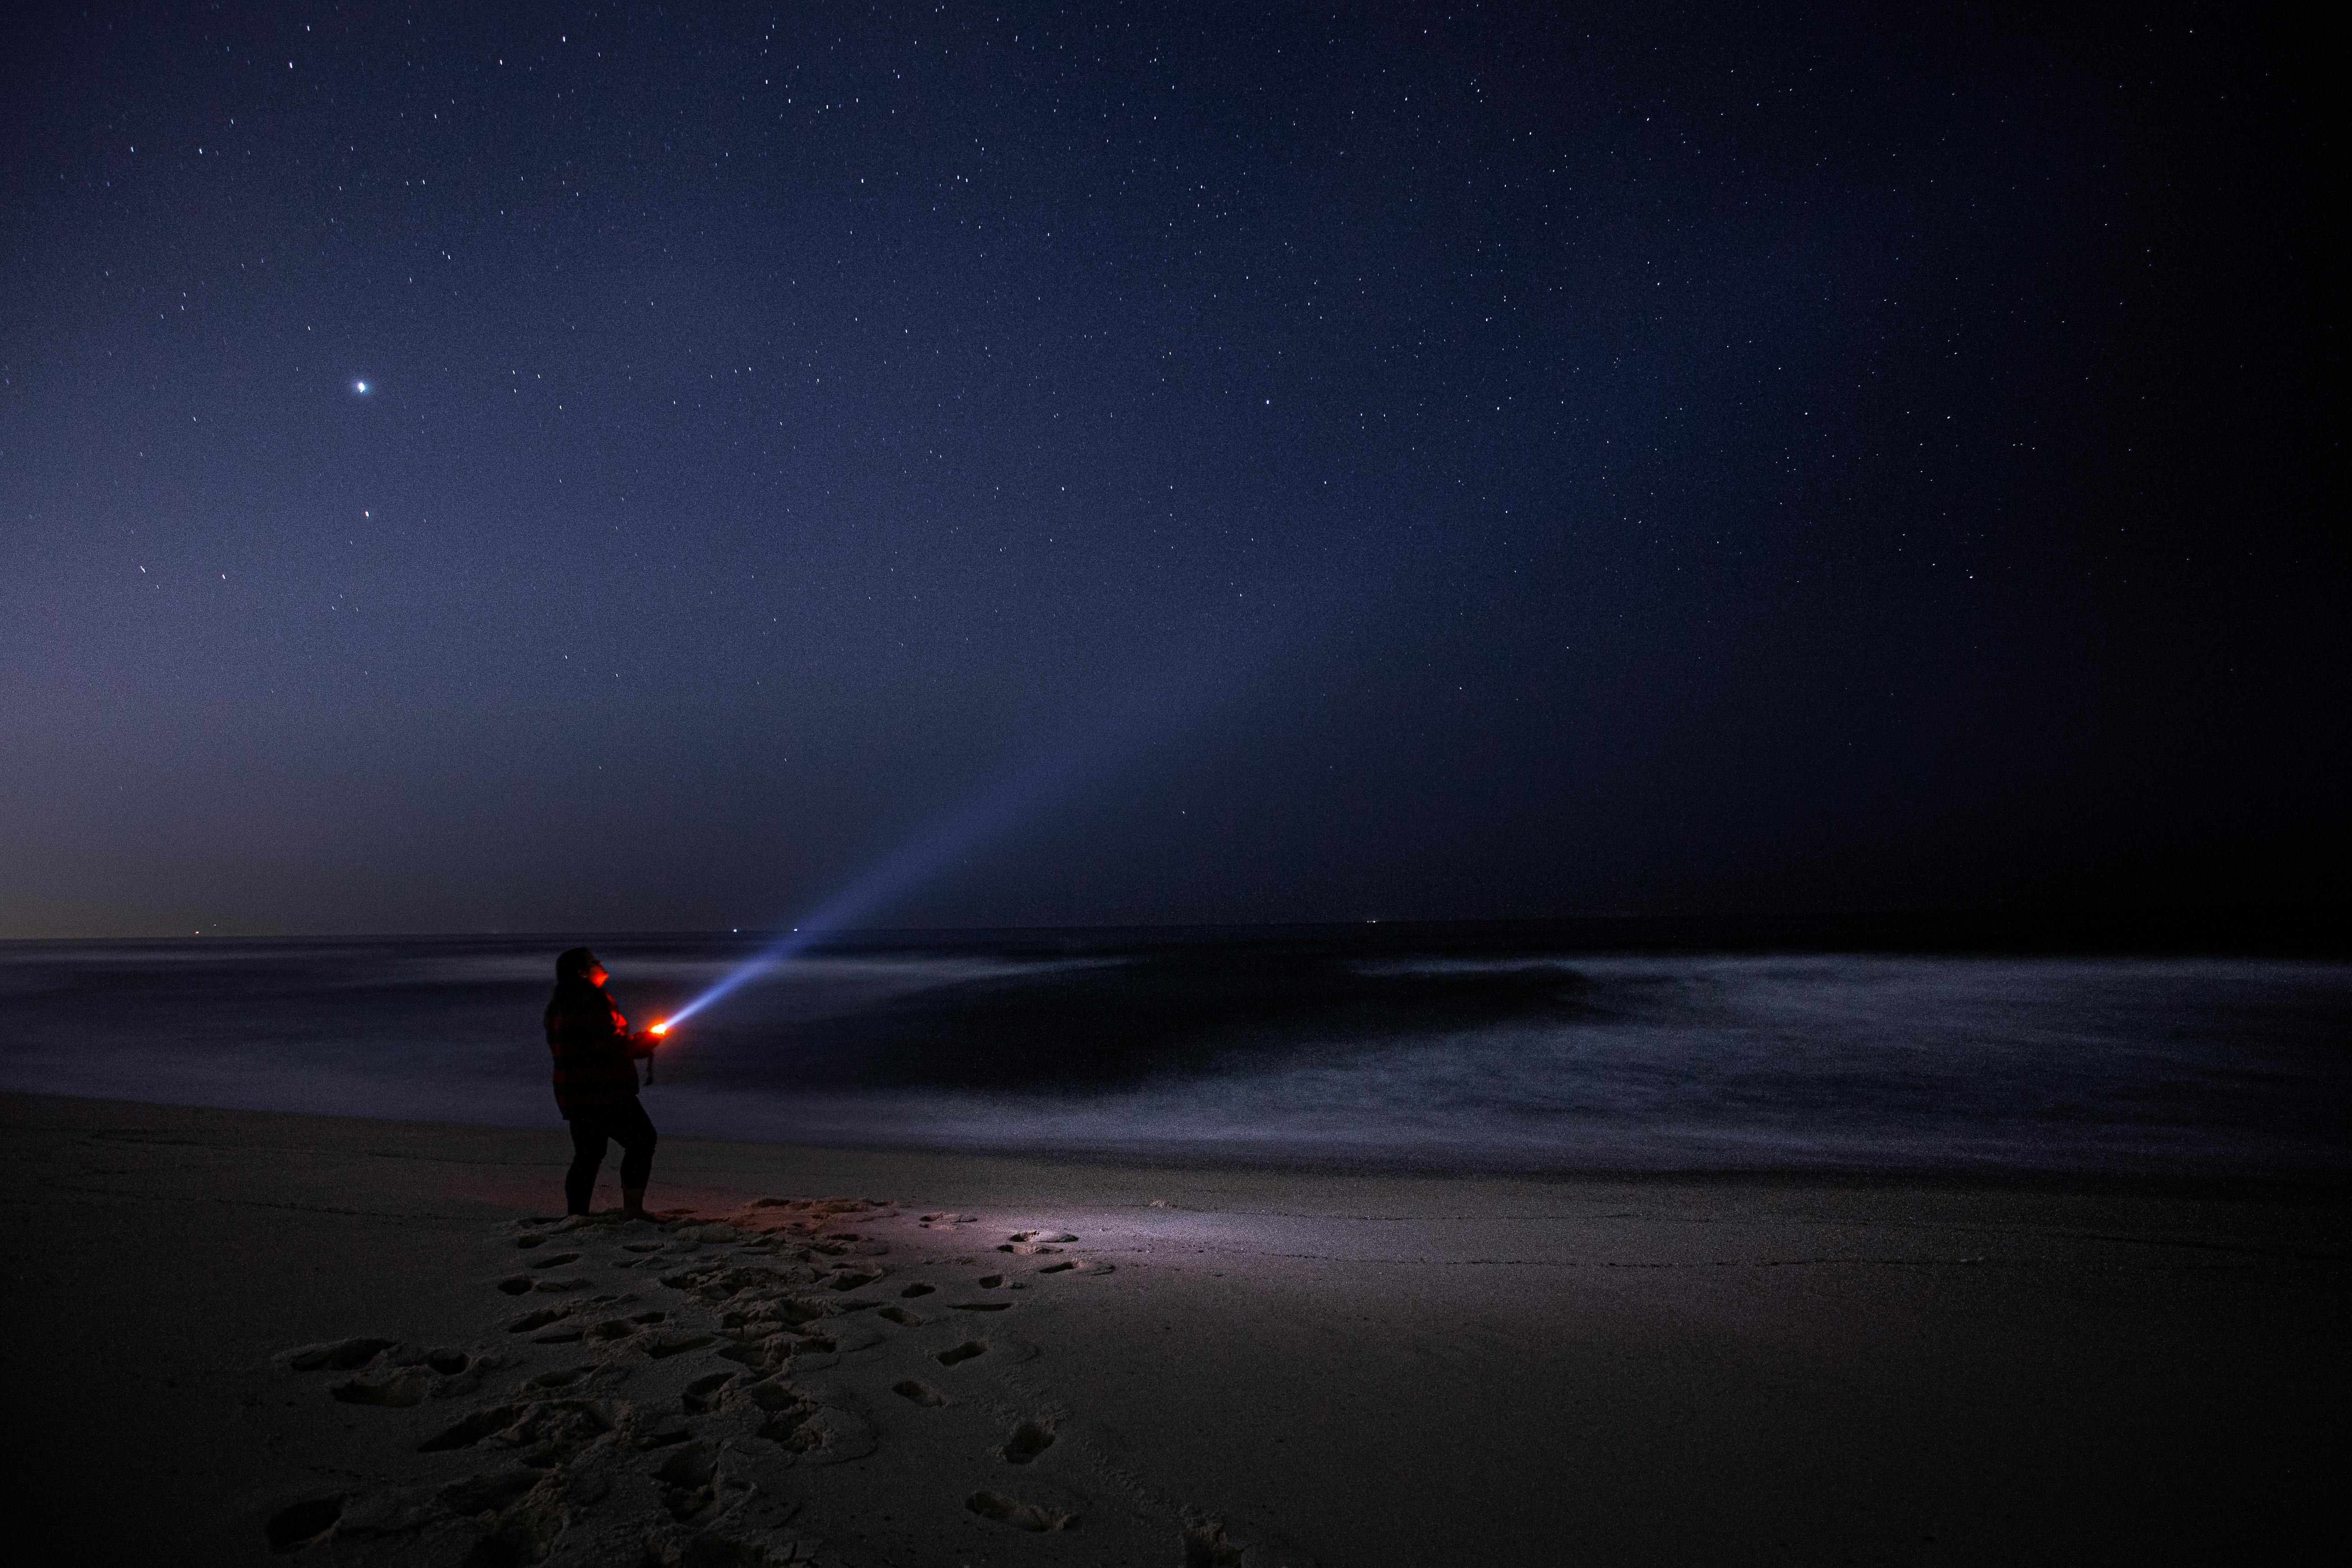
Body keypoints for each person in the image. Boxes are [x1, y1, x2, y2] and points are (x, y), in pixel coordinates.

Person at [544, 947, 661, 1218]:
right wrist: (646, 1041)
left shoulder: (559, 1004)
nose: (601, 963)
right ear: (582, 972)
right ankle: (633, 1211)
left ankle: (576, 1216)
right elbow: (610, 1047)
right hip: (604, 1092)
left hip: (572, 1092)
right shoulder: (592, 999)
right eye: (594, 961)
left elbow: (585, 1046)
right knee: (642, 1140)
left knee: (589, 1153)